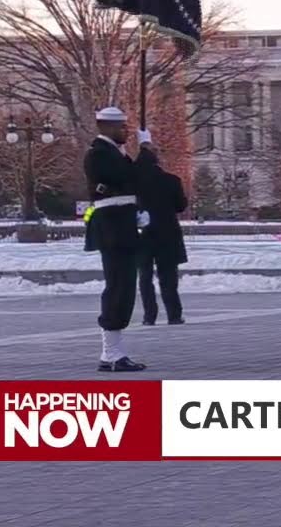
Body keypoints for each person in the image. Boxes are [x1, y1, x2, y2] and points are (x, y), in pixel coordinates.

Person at [83, 107, 155, 372]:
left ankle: (113, 353)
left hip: (121, 224)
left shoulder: (116, 153)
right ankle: (111, 354)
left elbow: (135, 183)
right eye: (122, 127)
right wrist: (145, 149)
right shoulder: (98, 154)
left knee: (124, 286)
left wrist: (136, 211)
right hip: (112, 227)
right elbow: (133, 176)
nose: (126, 131)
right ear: (107, 127)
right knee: (118, 287)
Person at [137, 148, 188, 327]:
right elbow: (180, 206)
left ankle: (149, 316)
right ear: (157, 162)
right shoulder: (172, 180)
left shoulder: (132, 184)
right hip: (167, 233)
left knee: (145, 276)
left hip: (142, 234)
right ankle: (174, 315)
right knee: (168, 276)